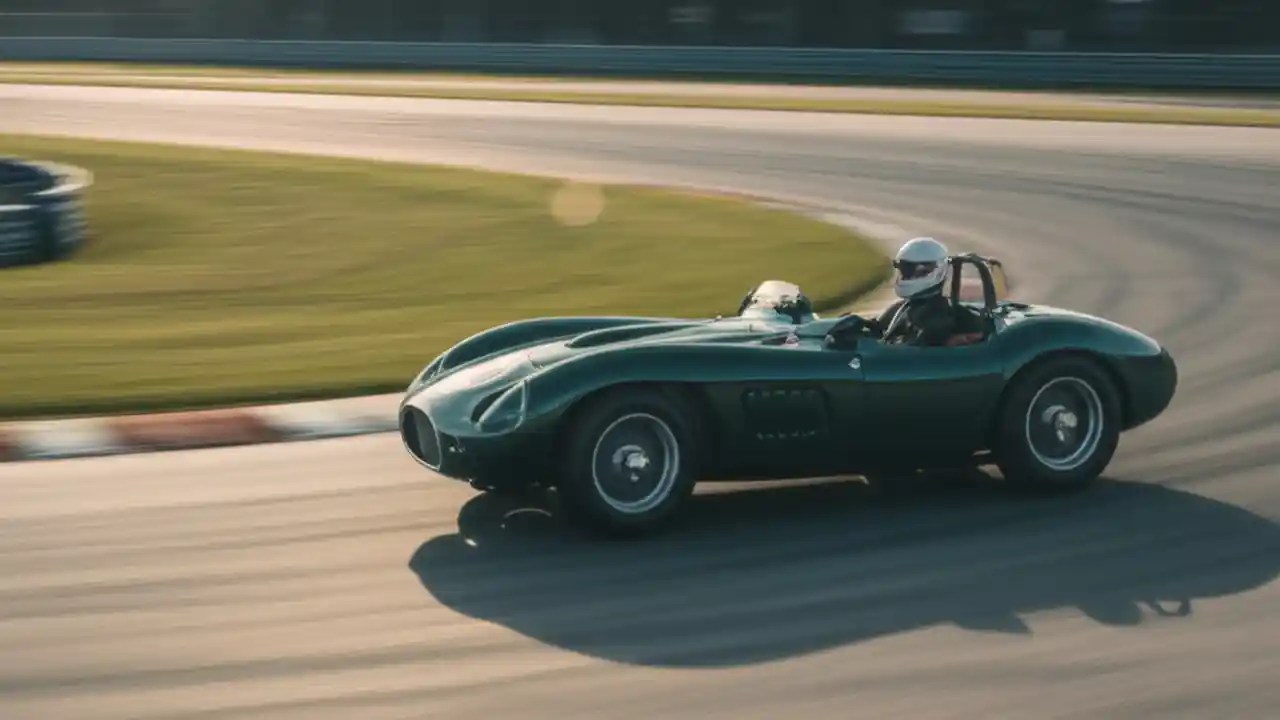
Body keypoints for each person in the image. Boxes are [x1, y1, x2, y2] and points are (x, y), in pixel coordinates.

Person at [873, 236, 980, 346]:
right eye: (905, 269)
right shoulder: (902, 308)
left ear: (937, 271)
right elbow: (876, 329)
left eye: (913, 270)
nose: (907, 276)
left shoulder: (939, 318)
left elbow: (911, 350)